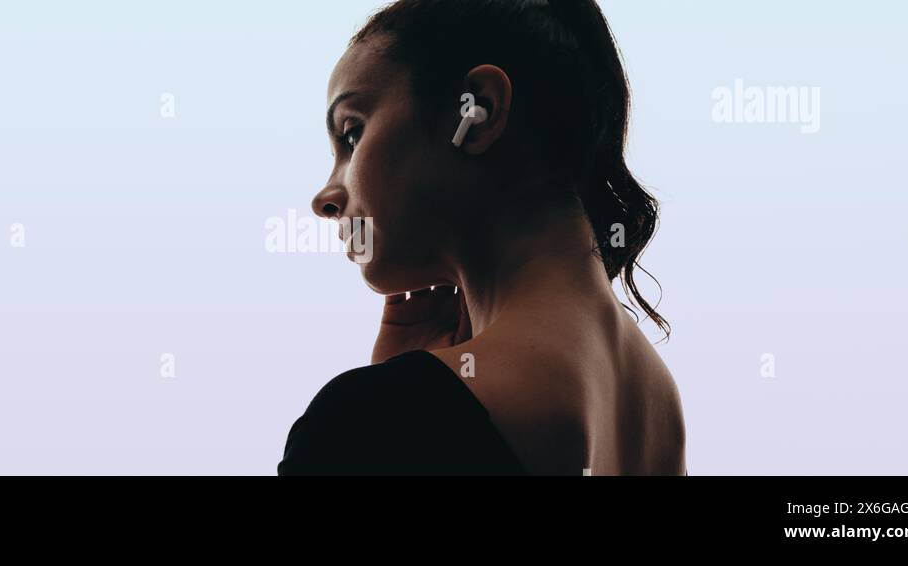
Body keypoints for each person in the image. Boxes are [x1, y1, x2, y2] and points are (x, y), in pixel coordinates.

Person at [278, 0, 686, 475]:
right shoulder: (659, 409)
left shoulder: (374, 420)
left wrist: (392, 413)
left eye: (352, 133)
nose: (326, 197)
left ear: (477, 111)